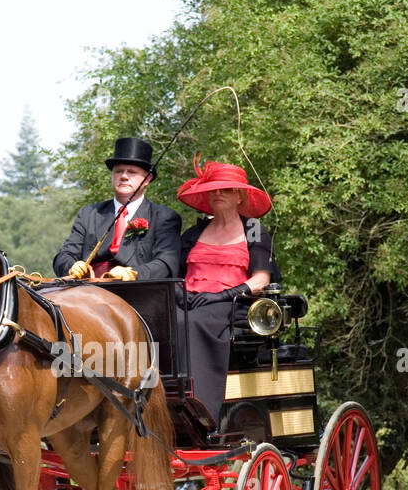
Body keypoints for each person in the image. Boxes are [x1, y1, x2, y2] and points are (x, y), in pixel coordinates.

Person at [174, 158, 274, 426]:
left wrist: (225, 295)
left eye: (226, 189)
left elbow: (261, 279)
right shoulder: (194, 232)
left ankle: (199, 405)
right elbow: (175, 274)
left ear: (240, 195)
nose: (218, 193)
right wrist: (179, 294)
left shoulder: (253, 229)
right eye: (214, 189)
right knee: (160, 320)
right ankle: (156, 397)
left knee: (191, 322)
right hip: (190, 300)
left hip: (234, 304)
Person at [53, 137, 182, 281]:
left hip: (139, 293)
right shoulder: (89, 214)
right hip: (89, 290)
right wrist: (71, 265)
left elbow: (167, 263)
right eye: (118, 171)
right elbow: (64, 255)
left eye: (132, 172)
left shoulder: (164, 217)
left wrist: (134, 274)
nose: (124, 176)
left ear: (147, 179)